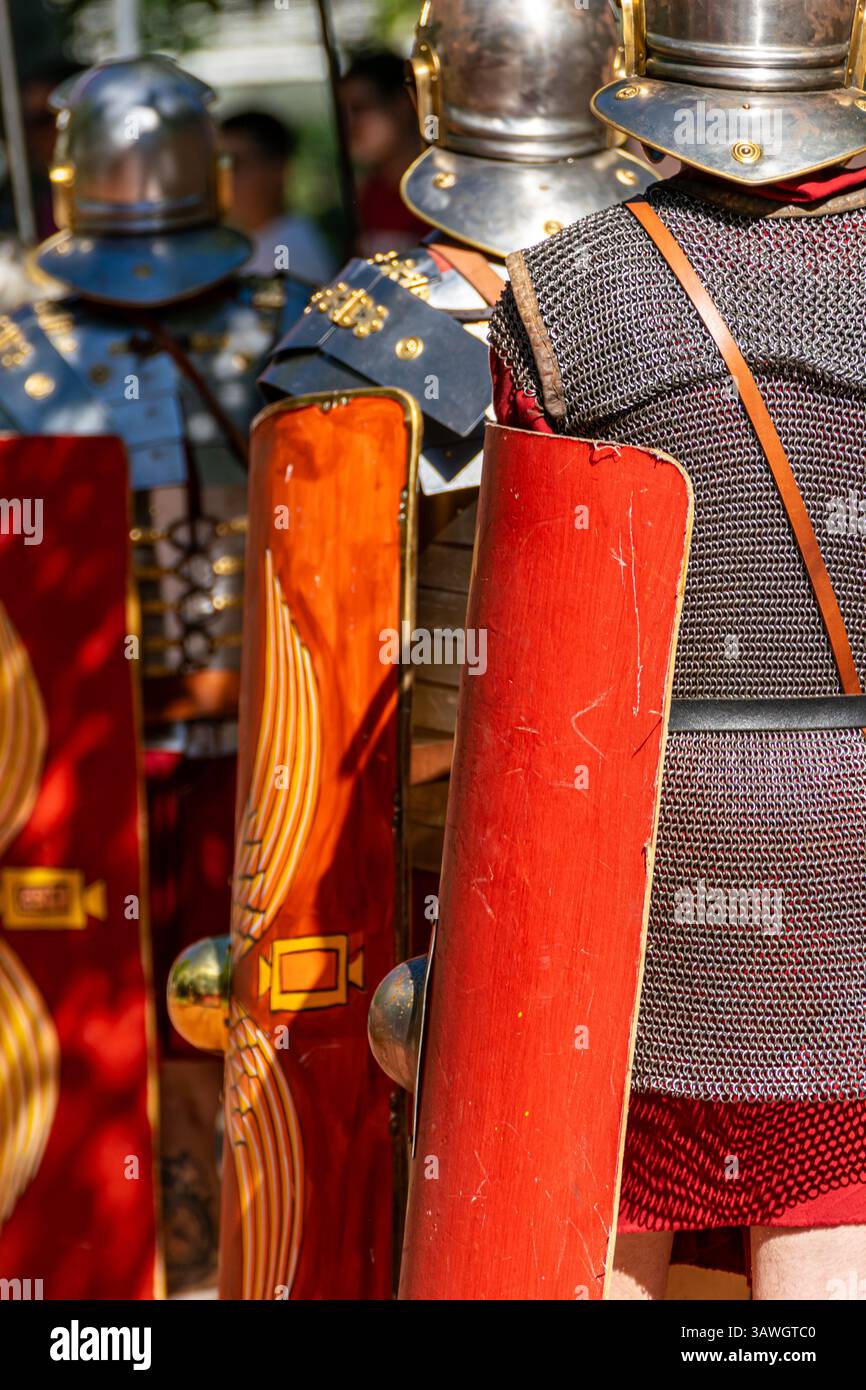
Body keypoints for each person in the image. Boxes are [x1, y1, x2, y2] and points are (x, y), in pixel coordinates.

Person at [184, 0, 654, 1301]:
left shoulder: (359, 322)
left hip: (465, 823)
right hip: (568, 823)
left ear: (441, 103)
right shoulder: (678, 305)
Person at [488, 0, 866, 1299]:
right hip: (848, 824)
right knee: (829, 1226)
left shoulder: (564, 283)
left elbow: (522, 627)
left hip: (640, 822)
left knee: (596, 1217)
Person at [0, 54, 309, 1295]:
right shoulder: (19, 344)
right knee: (96, 1017)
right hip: (82, 757)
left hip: (252, 741)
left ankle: (234, 1249)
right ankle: (124, 1270)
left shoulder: (279, 323)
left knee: (243, 1012)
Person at [219, 109, 335, 284]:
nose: (224, 178)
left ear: (279, 170)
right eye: (219, 165)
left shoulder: (290, 249)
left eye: (235, 164)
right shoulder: (246, 240)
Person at [339, 48, 428, 253]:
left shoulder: (442, 188)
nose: (350, 125)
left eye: (360, 108)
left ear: (403, 104)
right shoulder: (371, 193)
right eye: (344, 113)